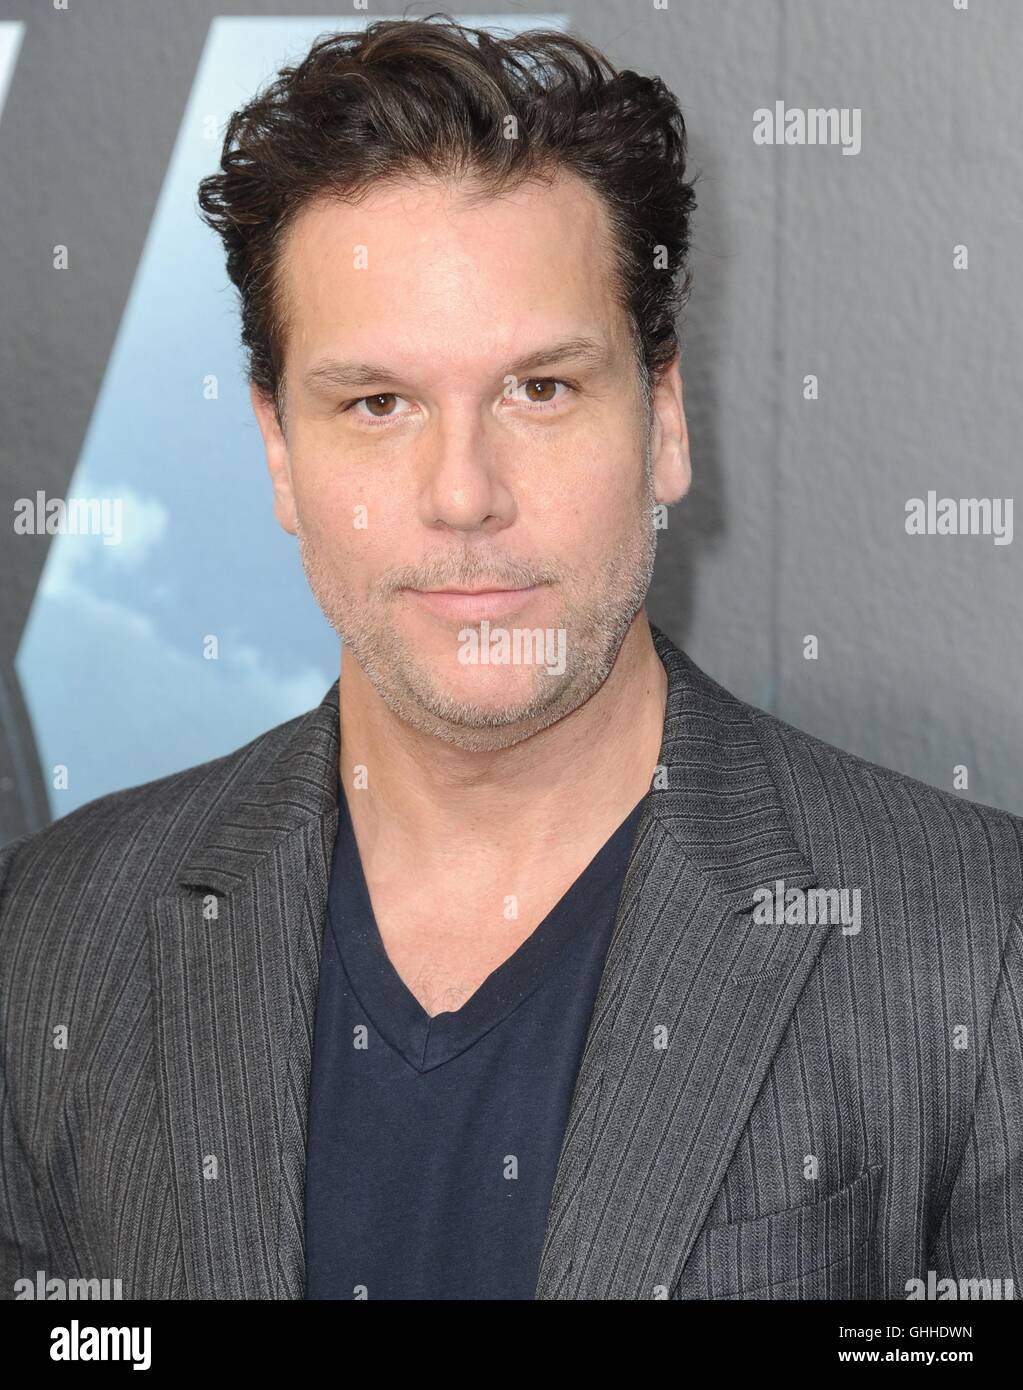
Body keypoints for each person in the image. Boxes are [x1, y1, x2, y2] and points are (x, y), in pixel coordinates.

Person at [2, 15, 1020, 1302]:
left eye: (540, 389)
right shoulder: (48, 940)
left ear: (662, 421)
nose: (465, 494)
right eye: (377, 404)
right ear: (278, 454)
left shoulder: (977, 945)